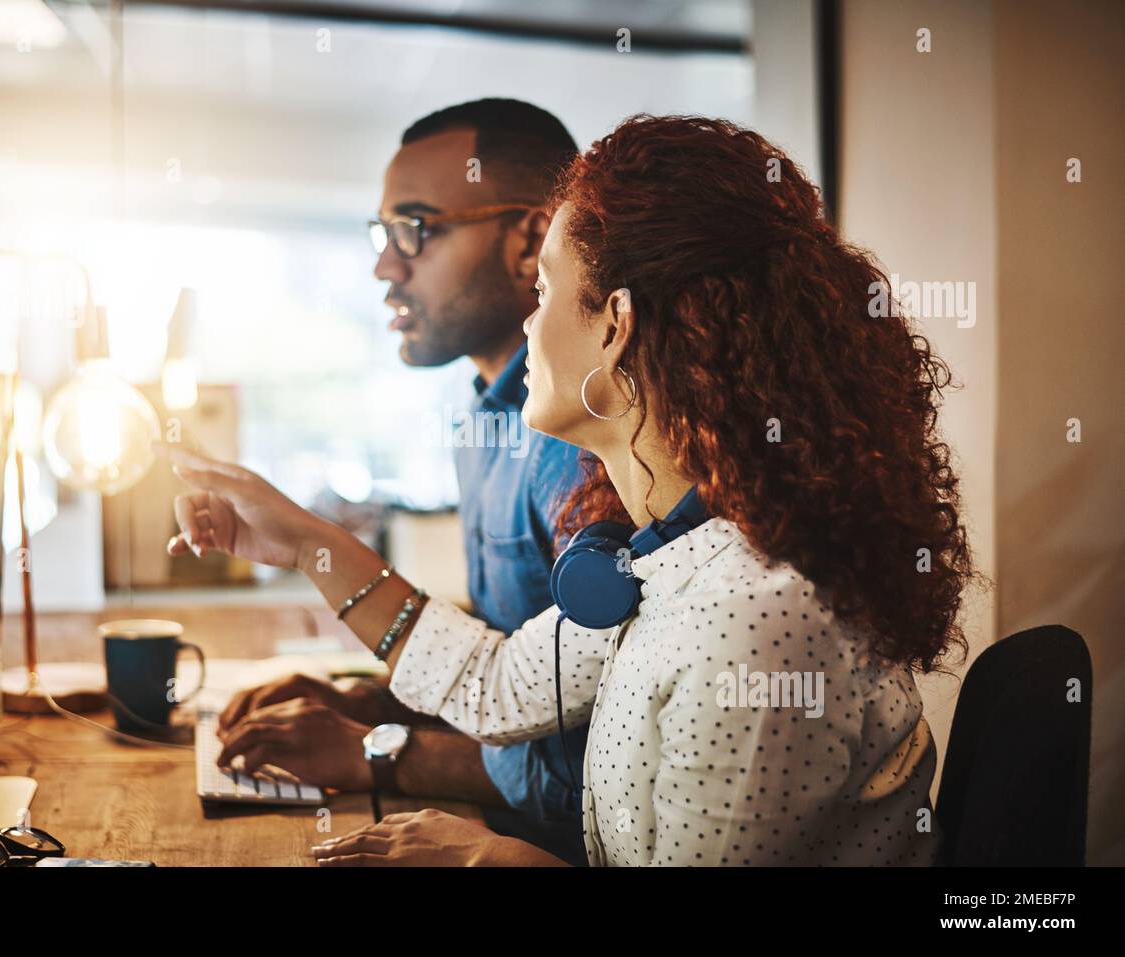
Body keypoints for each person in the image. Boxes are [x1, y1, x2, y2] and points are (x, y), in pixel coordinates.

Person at [164, 114, 972, 866]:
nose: (529, 324)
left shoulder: (756, 622)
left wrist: (503, 858)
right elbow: (494, 683)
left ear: (615, 323)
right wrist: (305, 542)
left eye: (546, 292)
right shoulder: (663, 559)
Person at [202, 99, 593, 864]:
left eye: (415, 227)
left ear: (532, 240)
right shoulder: (485, 417)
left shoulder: (582, 441)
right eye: (382, 233)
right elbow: (513, 662)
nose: (386, 264)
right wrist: (373, 699)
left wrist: (379, 750)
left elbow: (590, 772)